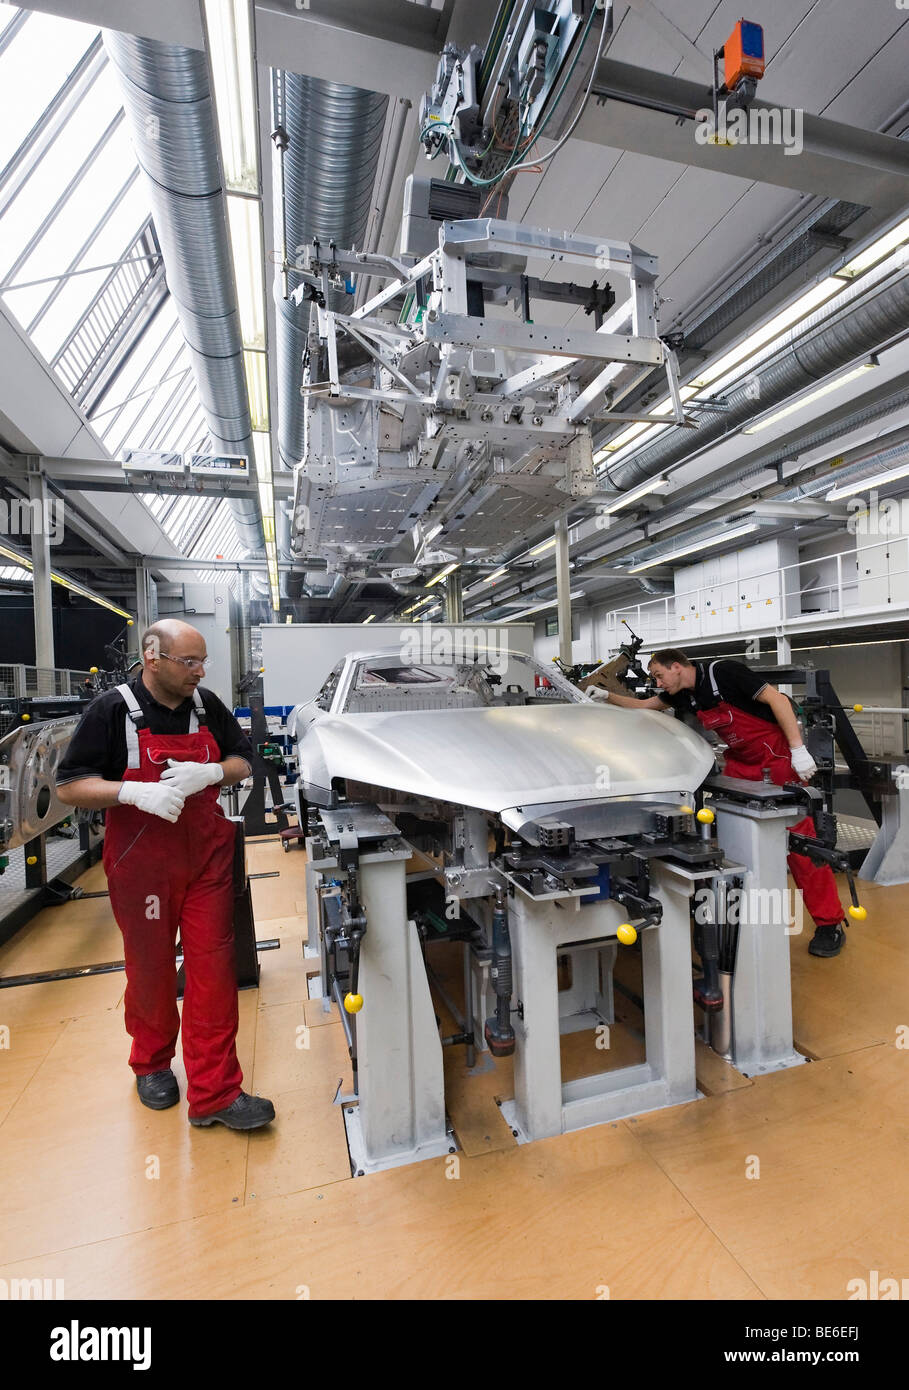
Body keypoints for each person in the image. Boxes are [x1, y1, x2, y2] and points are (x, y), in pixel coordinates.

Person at [57, 619, 276, 1128]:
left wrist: (213, 771)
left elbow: (244, 759)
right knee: (151, 968)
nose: (200, 672)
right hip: (142, 864)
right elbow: (70, 786)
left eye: (203, 662)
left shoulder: (207, 707)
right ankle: (152, 1063)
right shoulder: (113, 710)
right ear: (152, 657)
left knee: (214, 970)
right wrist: (131, 792)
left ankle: (216, 1093)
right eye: (189, 662)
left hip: (205, 861)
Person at [602, 647, 848, 957]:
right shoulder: (684, 694)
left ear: (677, 666)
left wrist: (798, 749)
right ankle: (741, 919)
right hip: (740, 766)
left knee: (800, 841)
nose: (658, 683)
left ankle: (829, 923)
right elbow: (644, 705)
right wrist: (603, 697)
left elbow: (778, 700)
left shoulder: (723, 673)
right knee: (731, 843)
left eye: (659, 676)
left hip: (776, 758)